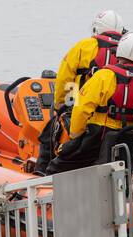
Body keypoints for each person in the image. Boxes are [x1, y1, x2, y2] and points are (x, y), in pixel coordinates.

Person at [45, 32, 133, 174]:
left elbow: (81, 108)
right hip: (128, 139)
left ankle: (40, 186)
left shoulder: (105, 75)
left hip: (98, 136)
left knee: (57, 166)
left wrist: (74, 137)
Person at [40, 11, 125, 166]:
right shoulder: (127, 53)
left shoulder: (83, 47)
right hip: (119, 124)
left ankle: (40, 172)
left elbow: (64, 79)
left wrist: (60, 106)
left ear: (96, 29)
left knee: (49, 134)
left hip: (83, 114)